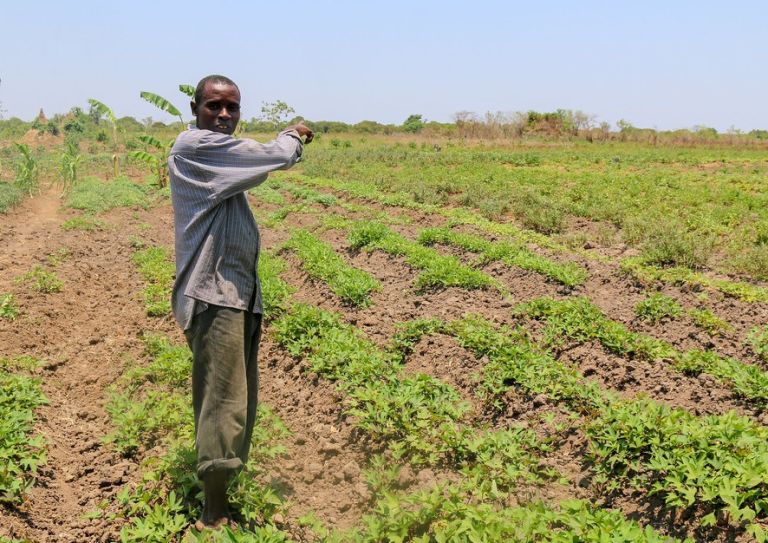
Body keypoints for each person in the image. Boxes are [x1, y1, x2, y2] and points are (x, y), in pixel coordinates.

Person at [168, 74, 313, 530]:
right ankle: (214, 515)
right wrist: (293, 134)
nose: (224, 115)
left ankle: (222, 491)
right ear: (195, 109)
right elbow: (275, 156)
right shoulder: (195, 146)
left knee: (236, 399)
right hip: (214, 294)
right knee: (223, 403)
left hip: (235, 293)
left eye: (232, 107)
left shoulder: (214, 154)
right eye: (214, 106)